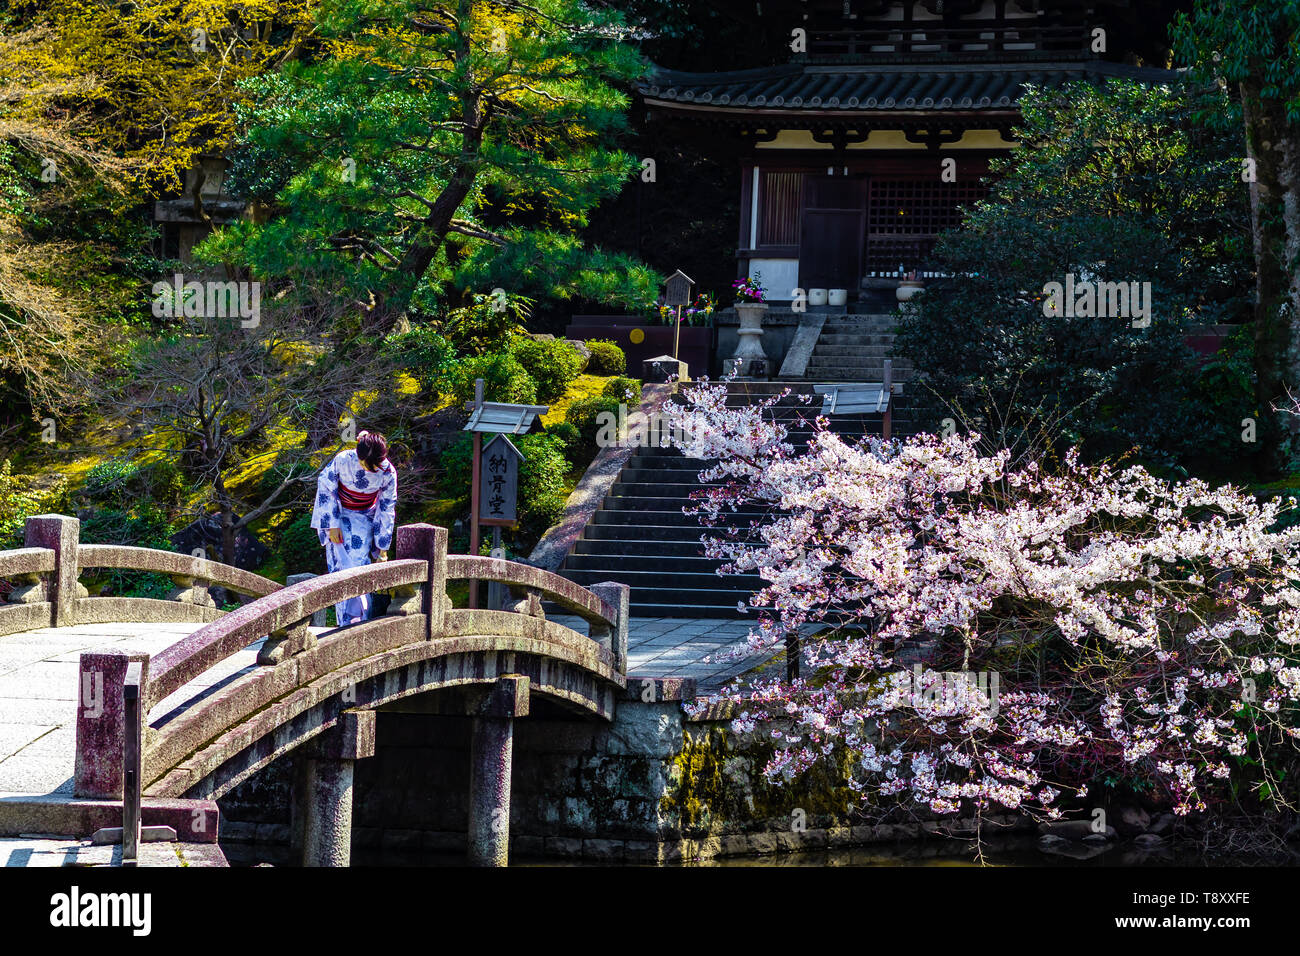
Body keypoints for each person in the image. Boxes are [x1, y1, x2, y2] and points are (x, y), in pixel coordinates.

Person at [310, 430, 398, 626]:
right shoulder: (343, 459)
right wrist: (331, 525)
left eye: (374, 464)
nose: (369, 467)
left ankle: (358, 622)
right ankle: (345, 622)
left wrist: (383, 549)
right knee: (338, 569)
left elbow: (386, 507)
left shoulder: (387, 472)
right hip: (338, 514)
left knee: (358, 565)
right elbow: (326, 486)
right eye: (365, 462)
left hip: (364, 519)